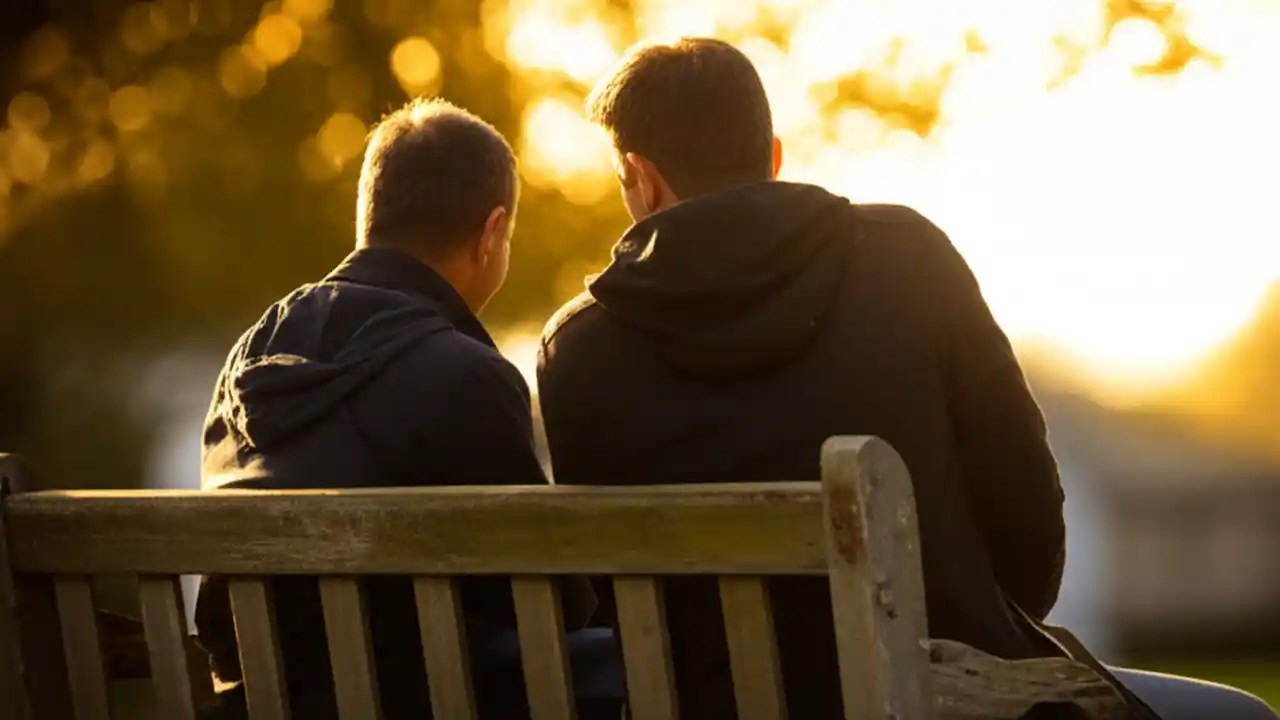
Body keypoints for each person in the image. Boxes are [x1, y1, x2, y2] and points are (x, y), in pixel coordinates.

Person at [538, 38, 1277, 719]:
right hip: (950, 692)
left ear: (639, 176)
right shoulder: (907, 258)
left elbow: (604, 592)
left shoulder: (579, 348)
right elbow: (1026, 504)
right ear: (772, 153)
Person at [194, 98, 594, 719]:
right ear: (491, 235)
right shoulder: (466, 377)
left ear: (370, 219)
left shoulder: (245, 363)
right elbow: (554, 602)